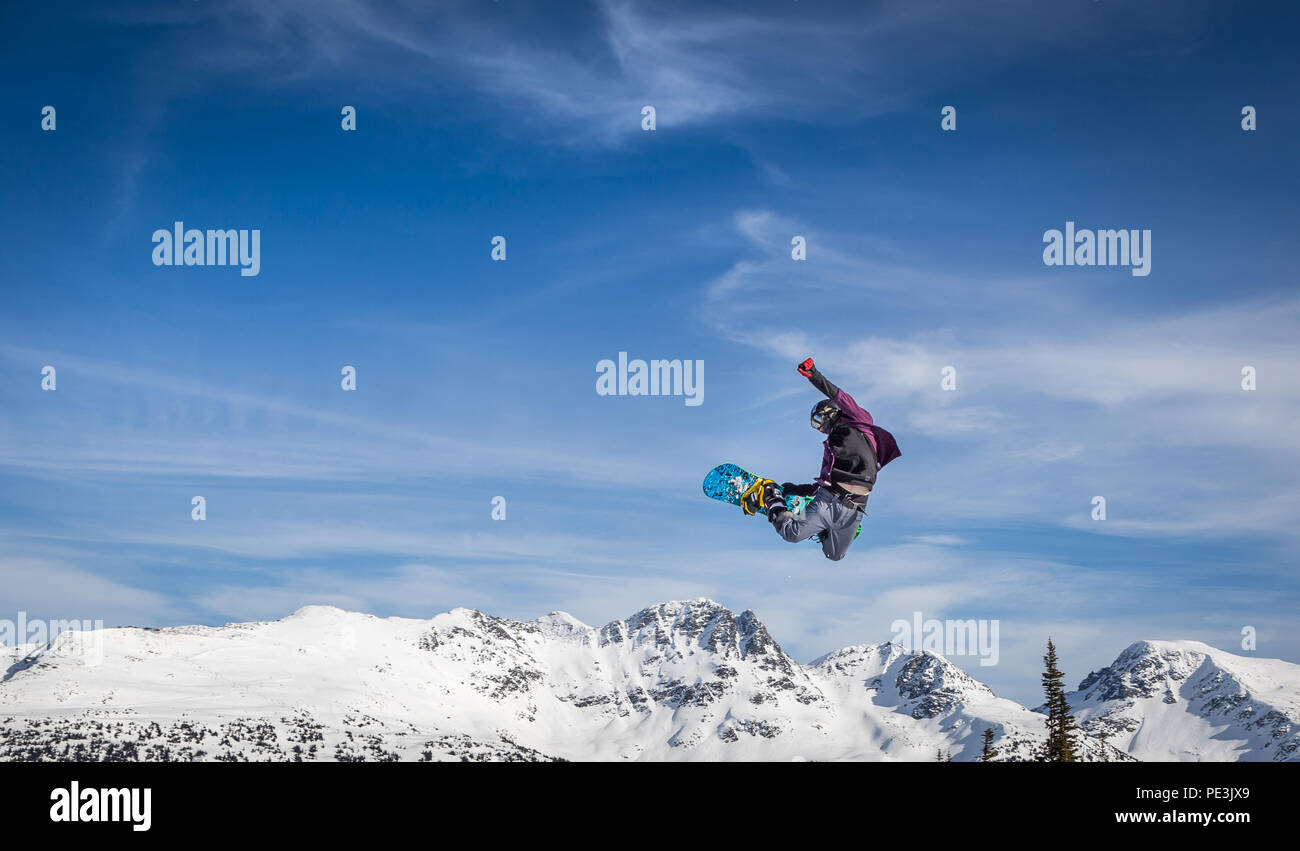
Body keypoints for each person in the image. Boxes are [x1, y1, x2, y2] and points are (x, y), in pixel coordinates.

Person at [741, 358, 900, 560]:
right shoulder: (831, 447)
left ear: (830, 413)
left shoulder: (858, 421)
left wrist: (814, 375)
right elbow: (822, 484)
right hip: (829, 499)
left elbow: (840, 396)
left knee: (834, 555)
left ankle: (821, 527)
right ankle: (771, 496)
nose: (821, 428)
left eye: (819, 420)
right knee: (792, 534)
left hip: (856, 508)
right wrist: (790, 489)